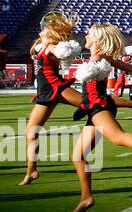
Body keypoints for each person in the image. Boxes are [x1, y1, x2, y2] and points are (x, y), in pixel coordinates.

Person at [68, 24, 132, 212]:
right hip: (93, 108)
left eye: (89, 33)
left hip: (99, 105)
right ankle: (86, 197)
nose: (85, 35)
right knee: (78, 156)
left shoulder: (99, 57)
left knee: (117, 137)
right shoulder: (100, 56)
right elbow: (126, 66)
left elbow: (121, 67)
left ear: (97, 39)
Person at [20, 13, 85, 186]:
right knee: (31, 131)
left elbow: (63, 55)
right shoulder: (43, 45)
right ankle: (31, 170)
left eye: (46, 28)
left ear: (51, 33)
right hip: (45, 93)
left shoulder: (51, 47)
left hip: (55, 88)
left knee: (94, 103)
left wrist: (65, 49)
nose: (42, 29)